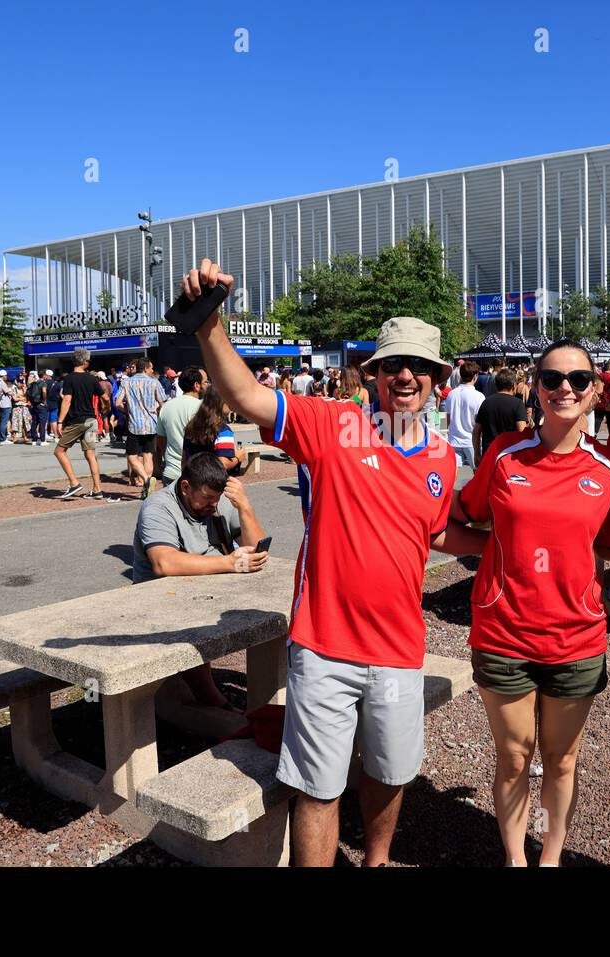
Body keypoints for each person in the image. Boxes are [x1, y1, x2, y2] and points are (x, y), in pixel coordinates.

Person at [183, 258, 484, 867]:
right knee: (319, 788)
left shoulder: (440, 457)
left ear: (437, 379)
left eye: (419, 367)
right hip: (324, 646)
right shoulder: (336, 423)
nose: (406, 376)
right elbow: (243, 395)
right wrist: (207, 320)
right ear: (371, 374)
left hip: (400, 648)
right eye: (393, 365)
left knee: (391, 774)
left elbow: (431, 534)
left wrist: (509, 544)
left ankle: (375, 861)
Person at [451, 339, 610, 866]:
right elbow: (458, 518)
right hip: (504, 633)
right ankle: (514, 859)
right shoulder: (505, 453)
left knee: (562, 758)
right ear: (536, 388)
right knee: (513, 757)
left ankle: (549, 858)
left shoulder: (609, 468)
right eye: (551, 379)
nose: (563, 388)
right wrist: (498, 552)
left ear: (594, 391)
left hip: (576, 637)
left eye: (576, 380)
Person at [132, 453, 268, 707]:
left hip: (206, 588)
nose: (214, 505)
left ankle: (266, 695)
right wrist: (230, 563)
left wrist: (244, 506)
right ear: (186, 487)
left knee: (266, 610)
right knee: (188, 623)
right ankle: (214, 702)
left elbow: (257, 549)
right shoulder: (158, 507)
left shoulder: (216, 498)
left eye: (217, 498)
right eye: (207, 498)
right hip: (160, 599)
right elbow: (164, 563)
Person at [52, 348, 111, 500]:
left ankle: (74, 482)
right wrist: (106, 408)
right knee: (91, 455)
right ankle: (97, 489)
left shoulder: (70, 378)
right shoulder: (92, 379)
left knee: (59, 451)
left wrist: (59, 421)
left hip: (76, 421)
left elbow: (67, 400)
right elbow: (105, 397)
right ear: (85, 362)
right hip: (91, 421)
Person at [119, 358, 166, 497]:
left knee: (132, 457)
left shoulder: (127, 382)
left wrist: (127, 411)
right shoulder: (154, 382)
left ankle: (145, 480)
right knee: (148, 456)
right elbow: (163, 402)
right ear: (145, 368)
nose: (152, 370)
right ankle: (147, 484)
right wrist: (157, 414)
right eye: (151, 368)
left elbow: (117, 402)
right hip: (151, 424)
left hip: (134, 425)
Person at [155, 365, 206, 486]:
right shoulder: (202, 407)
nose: (206, 385)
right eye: (204, 382)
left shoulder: (166, 407)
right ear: (196, 385)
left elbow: (161, 441)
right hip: (196, 472)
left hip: (171, 472)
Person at [181, 384, 243, 474]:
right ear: (221, 402)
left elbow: (185, 459)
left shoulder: (191, 426)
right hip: (215, 482)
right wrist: (238, 457)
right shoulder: (224, 430)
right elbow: (223, 464)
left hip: (194, 478)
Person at [473, 368, 528, 464]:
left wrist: (477, 453)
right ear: (513, 385)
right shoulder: (518, 404)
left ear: (496, 385)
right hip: (510, 455)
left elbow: (476, 432)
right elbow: (522, 432)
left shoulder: (486, 403)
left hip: (489, 454)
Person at [442, 361, 483, 468]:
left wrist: (445, 436)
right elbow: (481, 422)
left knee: (453, 476)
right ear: (475, 376)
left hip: (453, 440)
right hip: (472, 442)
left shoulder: (451, 394)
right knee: (478, 474)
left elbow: (445, 418)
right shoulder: (479, 396)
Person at [0, 371, 14, 445]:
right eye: (6, 375)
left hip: (0, 403)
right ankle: (2, 439)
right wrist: (11, 392)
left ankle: (1, 438)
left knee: (1, 421)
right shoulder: (2, 383)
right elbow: (8, 392)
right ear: (3, 376)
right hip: (5, 404)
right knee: (4, 421)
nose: (6, 377)